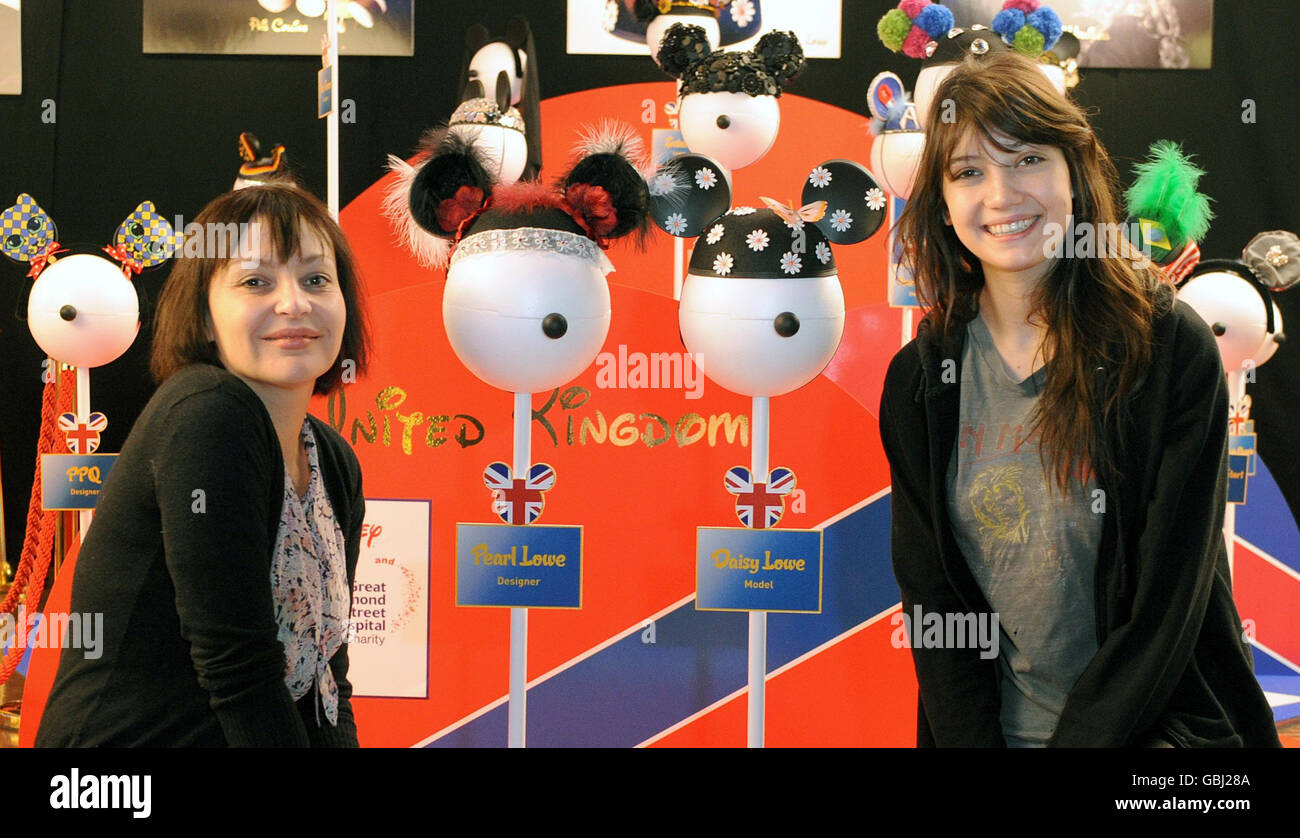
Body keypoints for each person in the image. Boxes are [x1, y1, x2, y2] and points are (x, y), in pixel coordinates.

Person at [879, 51, 1280, 747]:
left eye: (1027, 158)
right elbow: (935, 607)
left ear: (1075, 171)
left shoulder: (1166, 347)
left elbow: (1167, 605)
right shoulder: (919, 381)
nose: (1001, 196)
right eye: (969, 171)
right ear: (940, 202)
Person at [36, 184, 371, 747]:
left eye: (317, 279)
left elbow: (327, 672)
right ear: (206, 318)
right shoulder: (209, 414)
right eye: (255, 282)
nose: (294, 303)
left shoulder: (333, 459)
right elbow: (240, 668)